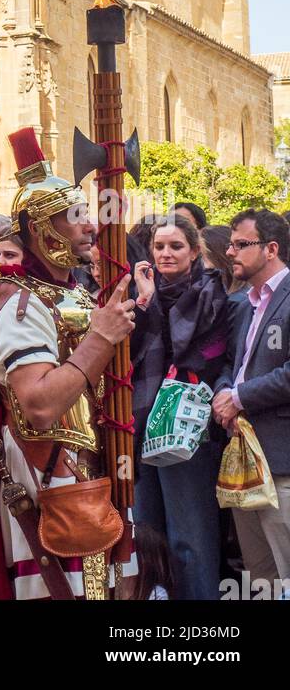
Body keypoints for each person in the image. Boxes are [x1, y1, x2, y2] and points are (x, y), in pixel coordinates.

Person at [0, 126, 136, 600]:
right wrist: (100, 338)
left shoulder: (71, 293)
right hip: (49, 474)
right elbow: (39, 404)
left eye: (87, 214)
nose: (90, 225)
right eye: (74, 216)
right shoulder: (22, 305)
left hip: (88, 470)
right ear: (42, 230)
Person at [130, 213, 230, 600]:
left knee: (190, 536)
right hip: (141, 423)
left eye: (176, 246)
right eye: (159, 247)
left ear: (194, 251)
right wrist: (144, 301)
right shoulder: (141, 293)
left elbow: (203, 357)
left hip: (189, 427)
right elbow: (130, 356)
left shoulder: (212, 293)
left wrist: (154, 304)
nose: (166, 254)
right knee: (146, 532)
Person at [212, 209, 290, 585]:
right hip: (243, 459)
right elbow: (232, 362)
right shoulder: (246, 303)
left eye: (242, 244)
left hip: (282, 461)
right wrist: (224, 392)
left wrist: (239, 397)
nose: (230, 252)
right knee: (261, 577)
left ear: (271, 248)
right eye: (230, 244)